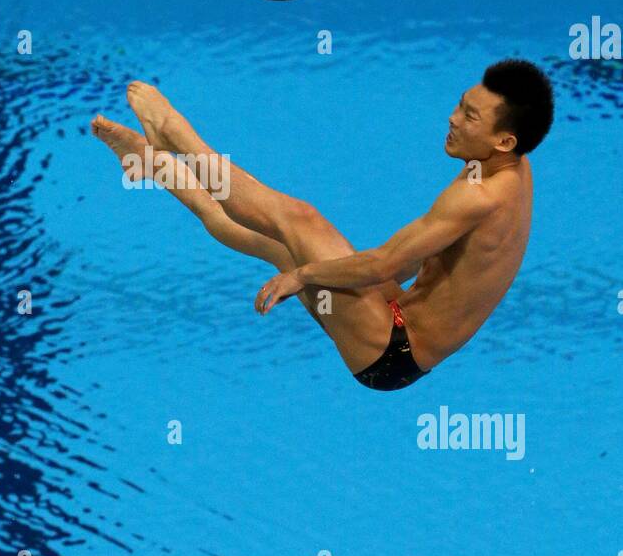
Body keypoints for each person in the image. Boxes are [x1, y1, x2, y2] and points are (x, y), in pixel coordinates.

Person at [91, 61, 553, 391]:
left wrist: (307, 275)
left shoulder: (478, 195)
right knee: (275, 241)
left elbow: (384, 263)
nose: (453, 118)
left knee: (296, 221)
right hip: (397, 315)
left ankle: (173, 131)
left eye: (469, 117)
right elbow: (415, 266)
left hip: (393, 349)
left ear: (504, 139)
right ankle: (153, 165)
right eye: (460, 104)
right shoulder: (506, 163)